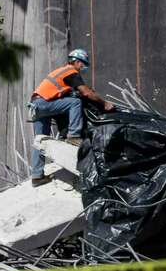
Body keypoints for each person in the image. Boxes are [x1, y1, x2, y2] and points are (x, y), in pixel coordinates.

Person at [28, 49, 114, 186]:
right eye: (83, 64)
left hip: (36, 106)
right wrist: (104, 104)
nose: (83, 68)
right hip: (43, 104)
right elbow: (85, 93)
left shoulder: (60, 72)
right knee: (75, 102)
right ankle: (73, 135)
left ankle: (37, 177)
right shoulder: (71, 72)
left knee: (40, 141)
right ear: (77, 61)